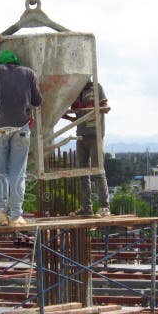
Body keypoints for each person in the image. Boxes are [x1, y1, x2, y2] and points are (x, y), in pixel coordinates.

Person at [0, 34, 43, 228]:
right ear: (16, 62)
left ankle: (1, 210)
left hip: (0, 128)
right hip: (21, 128)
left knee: (1, 172)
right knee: (18, 173)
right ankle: (16, 215)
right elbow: (38, 101)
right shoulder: (28, 72)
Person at [66, 80, 111, 217]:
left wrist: (97, 108)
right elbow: (68, 110)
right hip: (81, 136)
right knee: (82, 173)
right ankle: (86, 207)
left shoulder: (96, 88)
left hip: (95, 135)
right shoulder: (75, 91)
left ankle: (105, 207)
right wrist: (69, 117)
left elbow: (104, 106)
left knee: (98, 171)